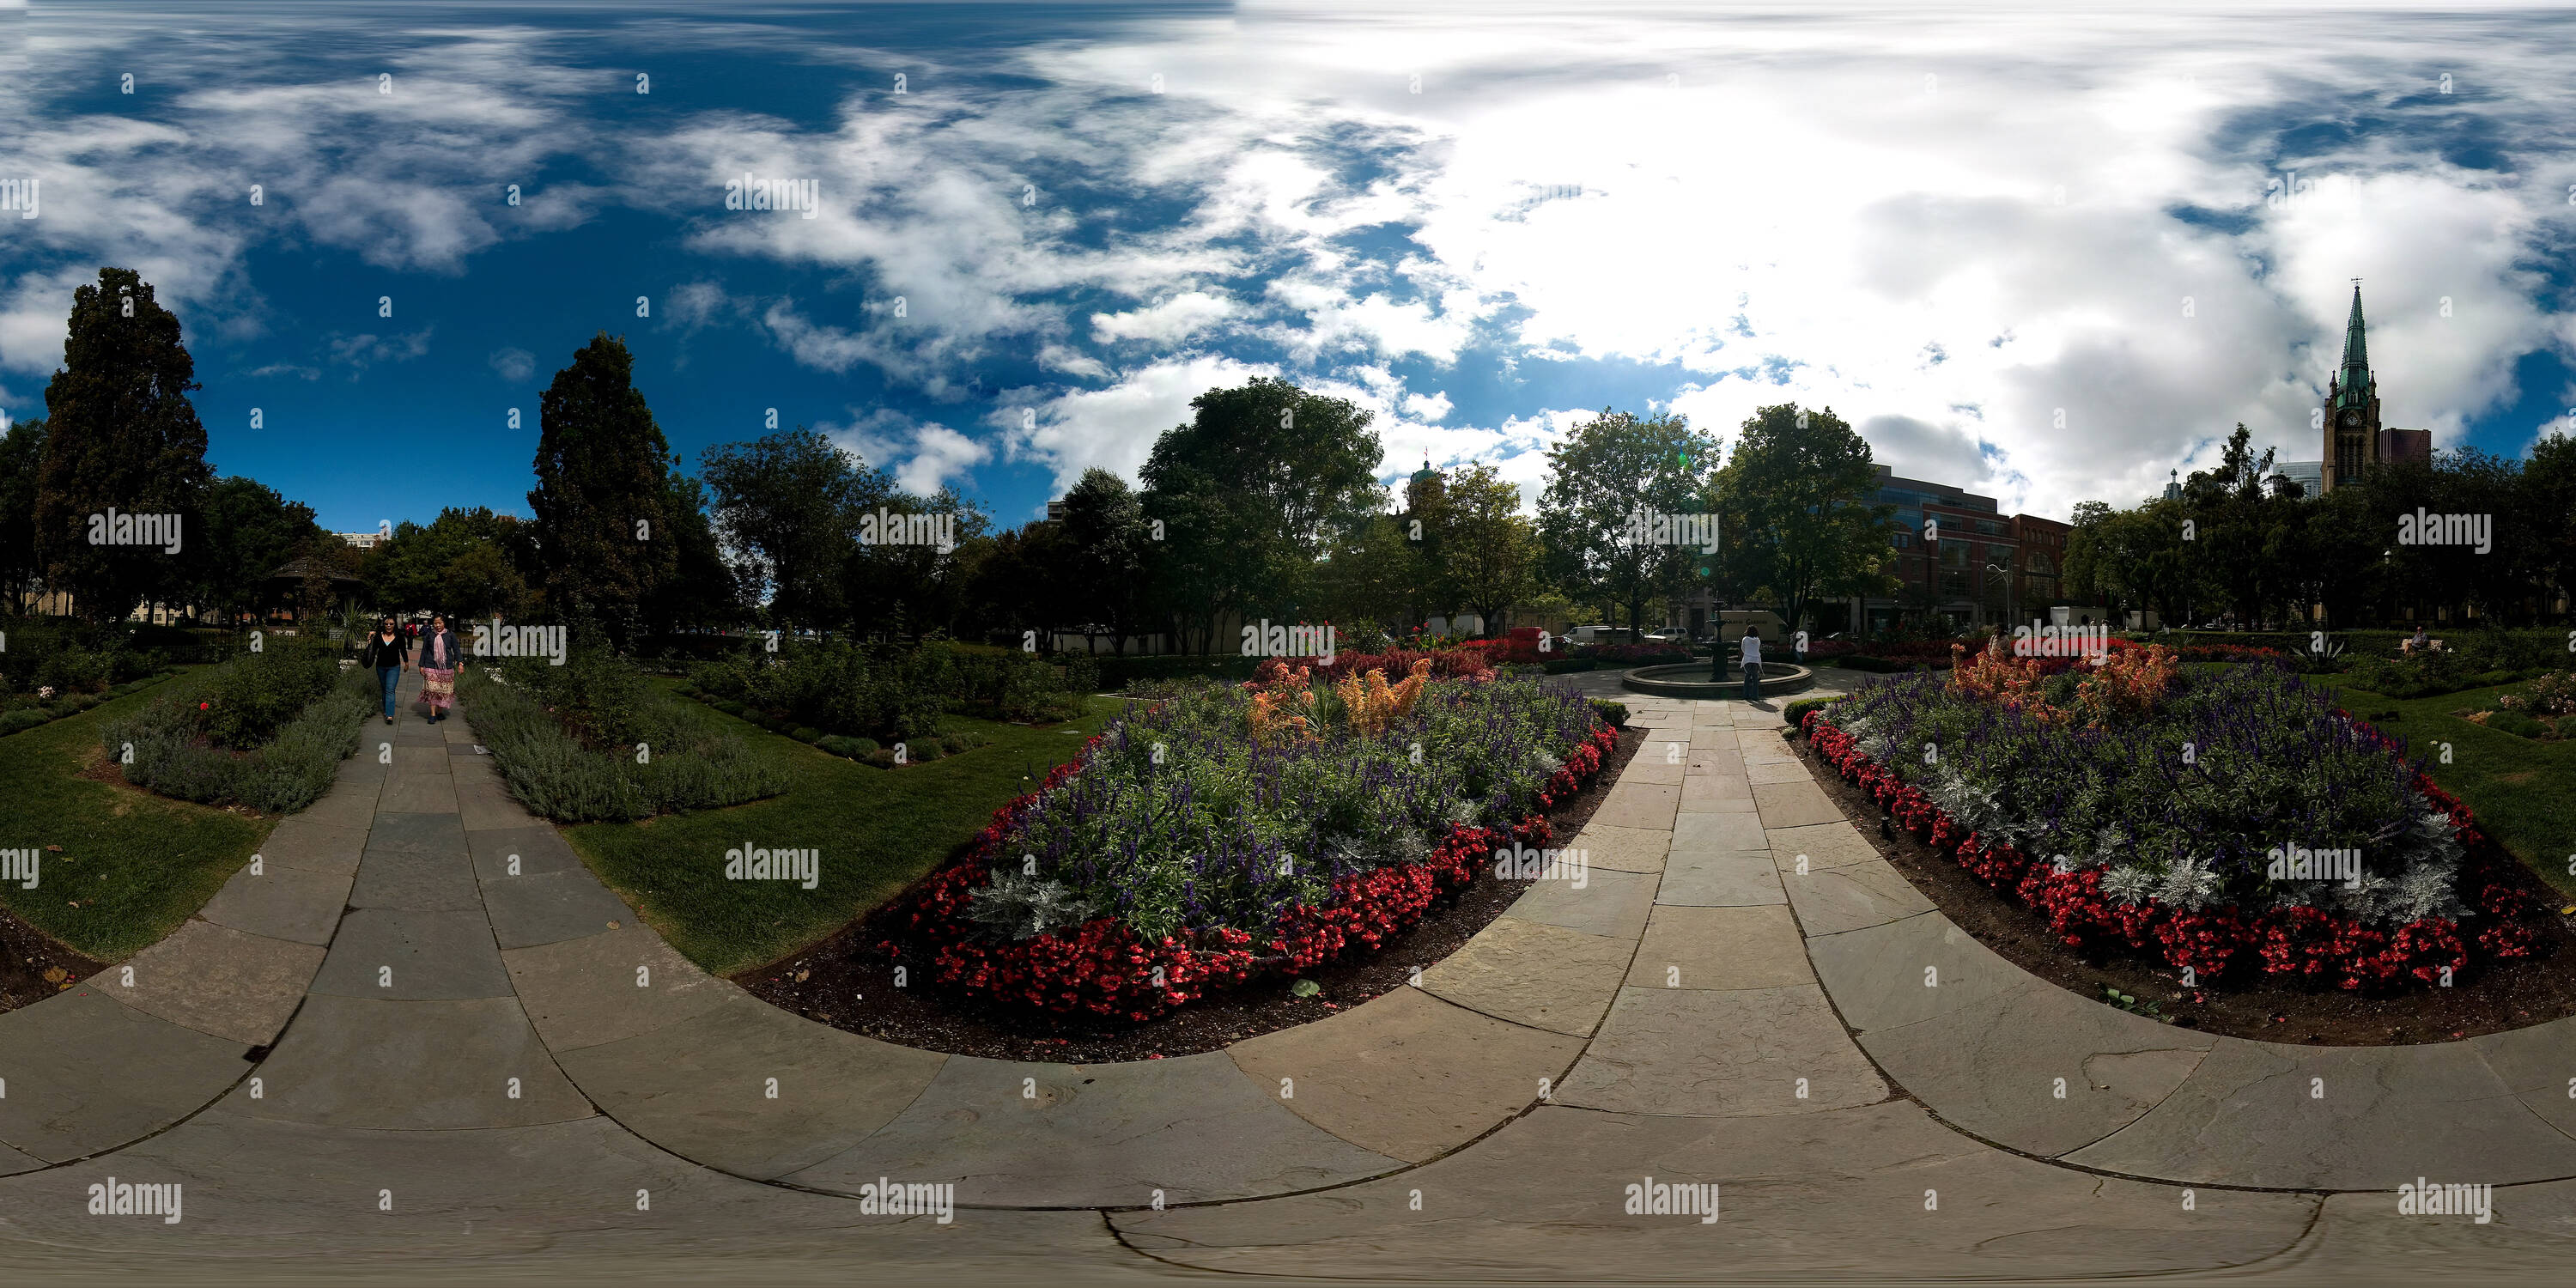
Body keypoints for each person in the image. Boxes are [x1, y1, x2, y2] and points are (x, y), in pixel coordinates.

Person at [359, 616, 409, 726]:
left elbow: (403, 650)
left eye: (391, 624)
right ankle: (387, 709)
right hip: (381, 666)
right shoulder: (378, 637)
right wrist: (369, 638)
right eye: (386, 624)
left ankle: (390, 715)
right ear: (383, 625)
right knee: (384, 689)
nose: (389, 626)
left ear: (395, 625)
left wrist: (406, 662)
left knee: (390, 689)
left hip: (394, 667)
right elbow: (371, 650)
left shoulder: (399, 636)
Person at [414, 612, 462, 725]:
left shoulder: (450, 635)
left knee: (443, 691)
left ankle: (440, 712)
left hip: (447, 667)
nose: (437, 625)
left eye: (440, 623)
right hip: (431, 666)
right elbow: (424, 651)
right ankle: (432, 714)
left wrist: (460, 663)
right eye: (435, 623)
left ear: (444, 623)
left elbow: (457, 650)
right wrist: (421, 665)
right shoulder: (430, 635)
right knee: (433, 691)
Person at [1740, 625, 1763, 702]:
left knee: (1747, 677)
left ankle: (1746, 695)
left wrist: (1748, 652)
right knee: (1755, 678)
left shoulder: (1745, 639)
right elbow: (1758, 649)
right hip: (1756, 659)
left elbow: (1743, 649)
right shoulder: (1758, 640)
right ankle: (1755, 696)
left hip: (1748, 660)